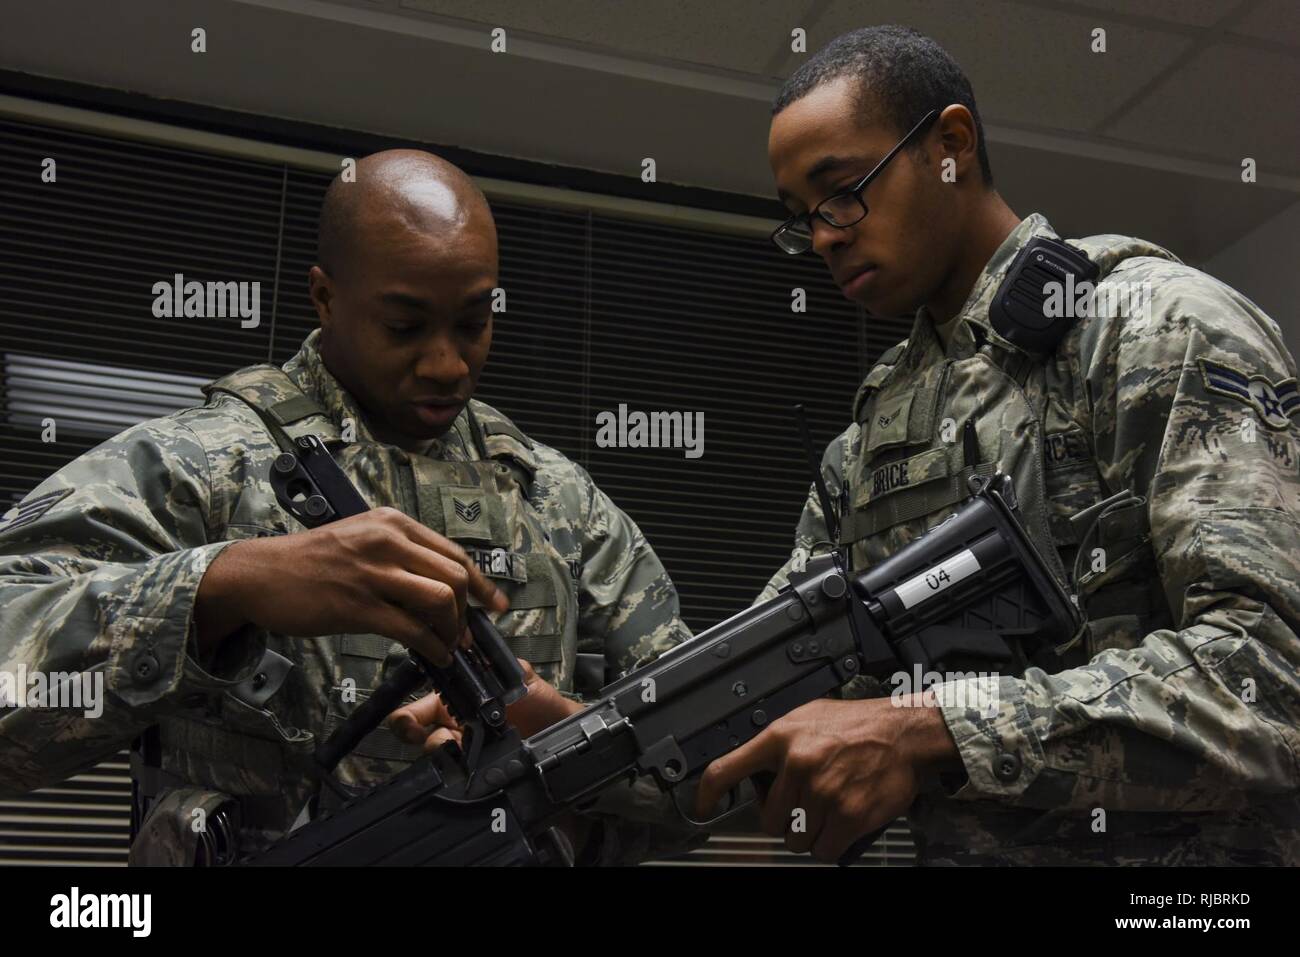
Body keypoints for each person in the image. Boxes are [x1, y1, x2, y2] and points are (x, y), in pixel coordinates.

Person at [697, 25, 1300, 865]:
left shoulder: (1156, 327)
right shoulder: (872, 432)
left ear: (950, 144)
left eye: (843, 192)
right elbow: (766, 666)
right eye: (803, 220)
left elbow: (1270, 680)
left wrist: (930, 729)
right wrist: (586, 728)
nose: (827, 236)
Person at [0, 149, 699, 865]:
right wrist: (224, 585)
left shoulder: (556, 500)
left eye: (474, 321)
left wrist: (560, 731)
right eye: (404, 326)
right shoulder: (199, 468)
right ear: (324, 297)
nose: (448, 364)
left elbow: (713, 767)